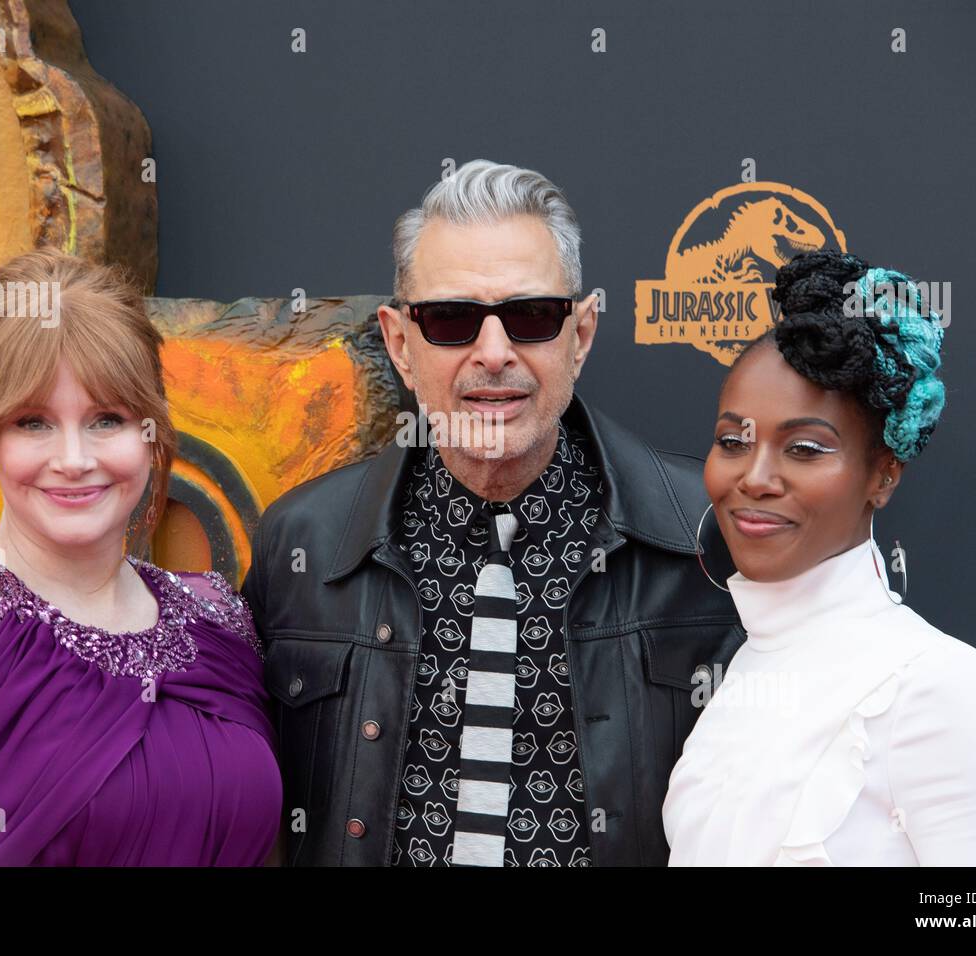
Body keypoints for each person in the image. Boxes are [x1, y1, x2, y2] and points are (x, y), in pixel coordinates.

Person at [242, 159, 741, 866]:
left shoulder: (708, 536)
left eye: (531, 316)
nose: (495, 353)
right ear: (398, 343)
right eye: (451, 320)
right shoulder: (304, 543)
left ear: (583, 333)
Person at [0, 249, 282, 866]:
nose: (73, 458)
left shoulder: (217, 618)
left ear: (151, 433)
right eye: (33, 422)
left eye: (106, 419)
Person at [662, 250, 976, 865]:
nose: (754, 478)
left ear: (883, 474)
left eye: (805, 448)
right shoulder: (740, 676)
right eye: (733, 442)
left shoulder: (938, 688)